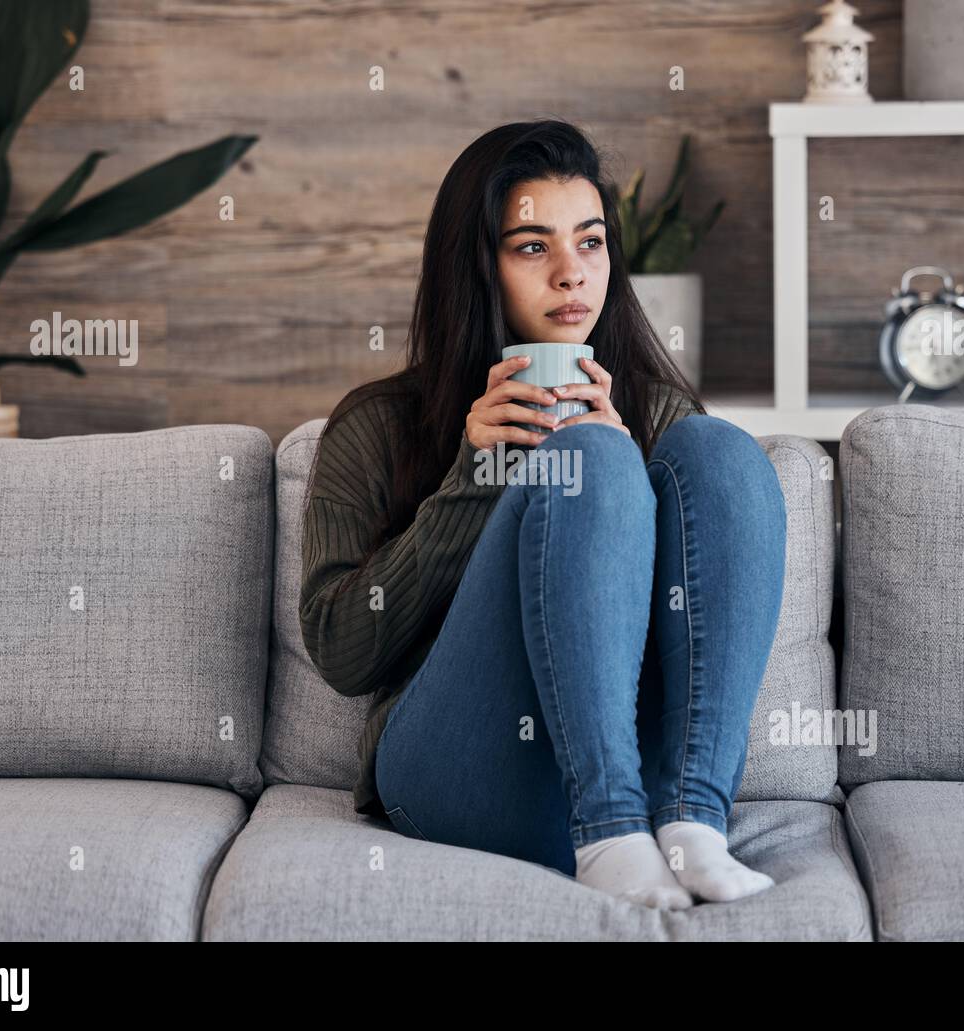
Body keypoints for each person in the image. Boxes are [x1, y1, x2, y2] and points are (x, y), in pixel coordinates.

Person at [300, 119, 786, 909]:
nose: (571, 274)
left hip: (641, 773)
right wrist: (474, 479)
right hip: (461, 768)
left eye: (590, 243)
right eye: (532, 246)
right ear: (478, 266)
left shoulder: (655, 410)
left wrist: (629, 484)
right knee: (587, 460)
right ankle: (609, 827)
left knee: (722, 450)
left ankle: (695, 821)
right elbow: (341, 652)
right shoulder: (377, 423)